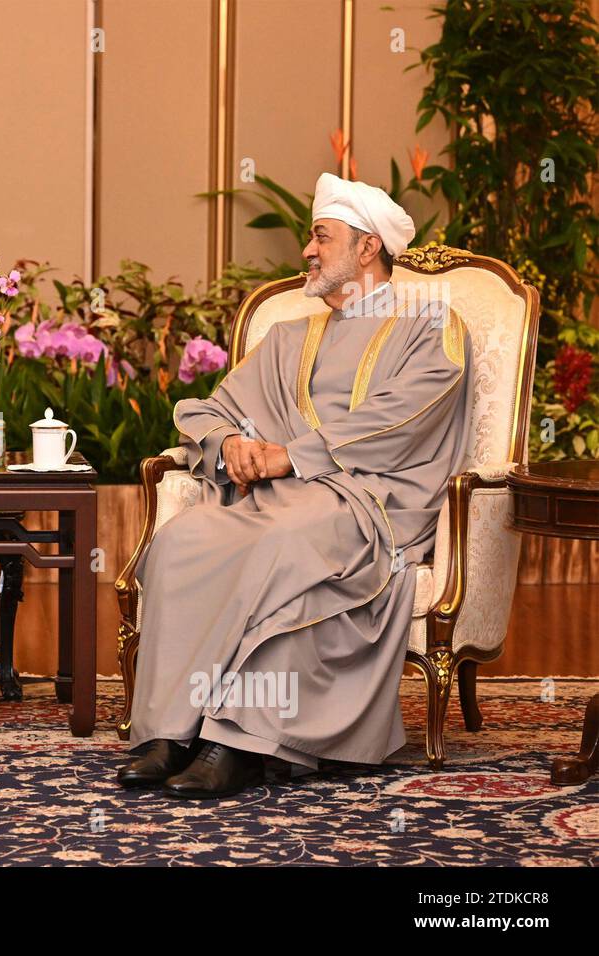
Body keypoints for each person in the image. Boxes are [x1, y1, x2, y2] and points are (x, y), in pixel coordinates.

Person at [118, 172, 473, 798]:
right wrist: (229, 445)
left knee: (281, 546)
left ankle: (237, 739)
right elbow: (207, 409)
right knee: (183, 539)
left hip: (369, 505)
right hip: (279, 501)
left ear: (366, 248)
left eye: (320, 236)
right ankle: (170, 731)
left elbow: (402, 420)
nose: (306, 251)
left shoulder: (429, 327)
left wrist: (293, 456)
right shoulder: (288, 338)